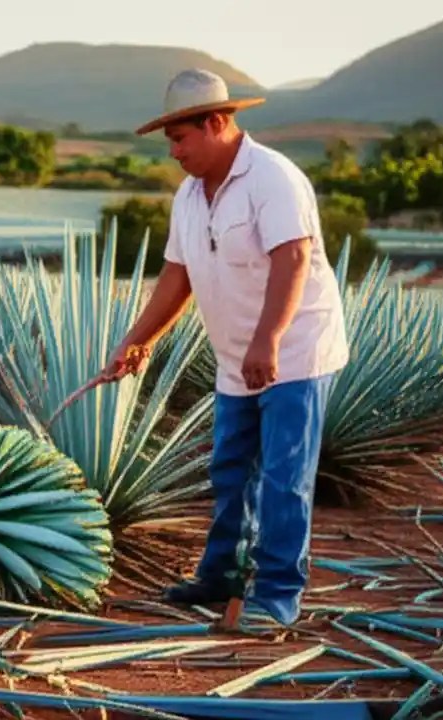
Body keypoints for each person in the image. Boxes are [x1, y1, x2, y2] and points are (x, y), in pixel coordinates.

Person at [97, 68, 349, 626]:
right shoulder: (189, 196)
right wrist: (135, 342)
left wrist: (269, 340)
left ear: (216, 123)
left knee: (285, 474)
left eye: (180, 138)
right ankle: (221, 577)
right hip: (237, 354)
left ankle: (279, 595)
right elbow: (176, 278)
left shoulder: (273, 179)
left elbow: (293, 259)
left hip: (296, 351)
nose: (174, 152)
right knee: (230, 467)